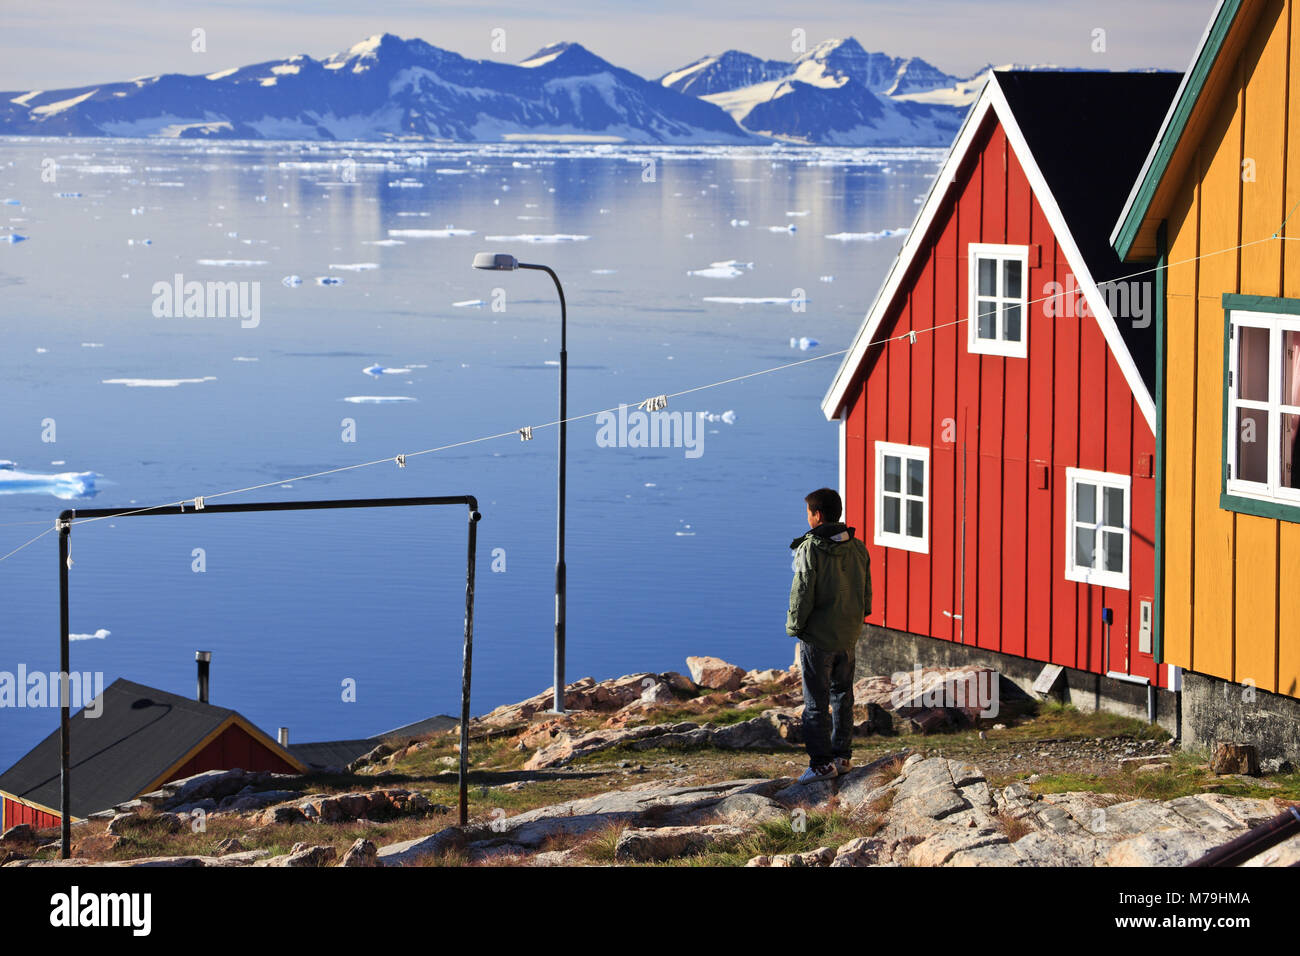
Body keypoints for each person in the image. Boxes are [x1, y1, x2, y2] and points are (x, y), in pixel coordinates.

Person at [786, 487, 871, 784]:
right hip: (848, 635)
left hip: (818, 639)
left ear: (817, 515)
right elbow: (866, 591)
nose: (807, 517)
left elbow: (803, 591)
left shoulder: (811, 548)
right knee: (843, 696)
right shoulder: (857, 547)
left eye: (808, 512)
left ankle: (821, 764)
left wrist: (795, 626)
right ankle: (842, 757)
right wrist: (860, 618)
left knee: (815, 703)